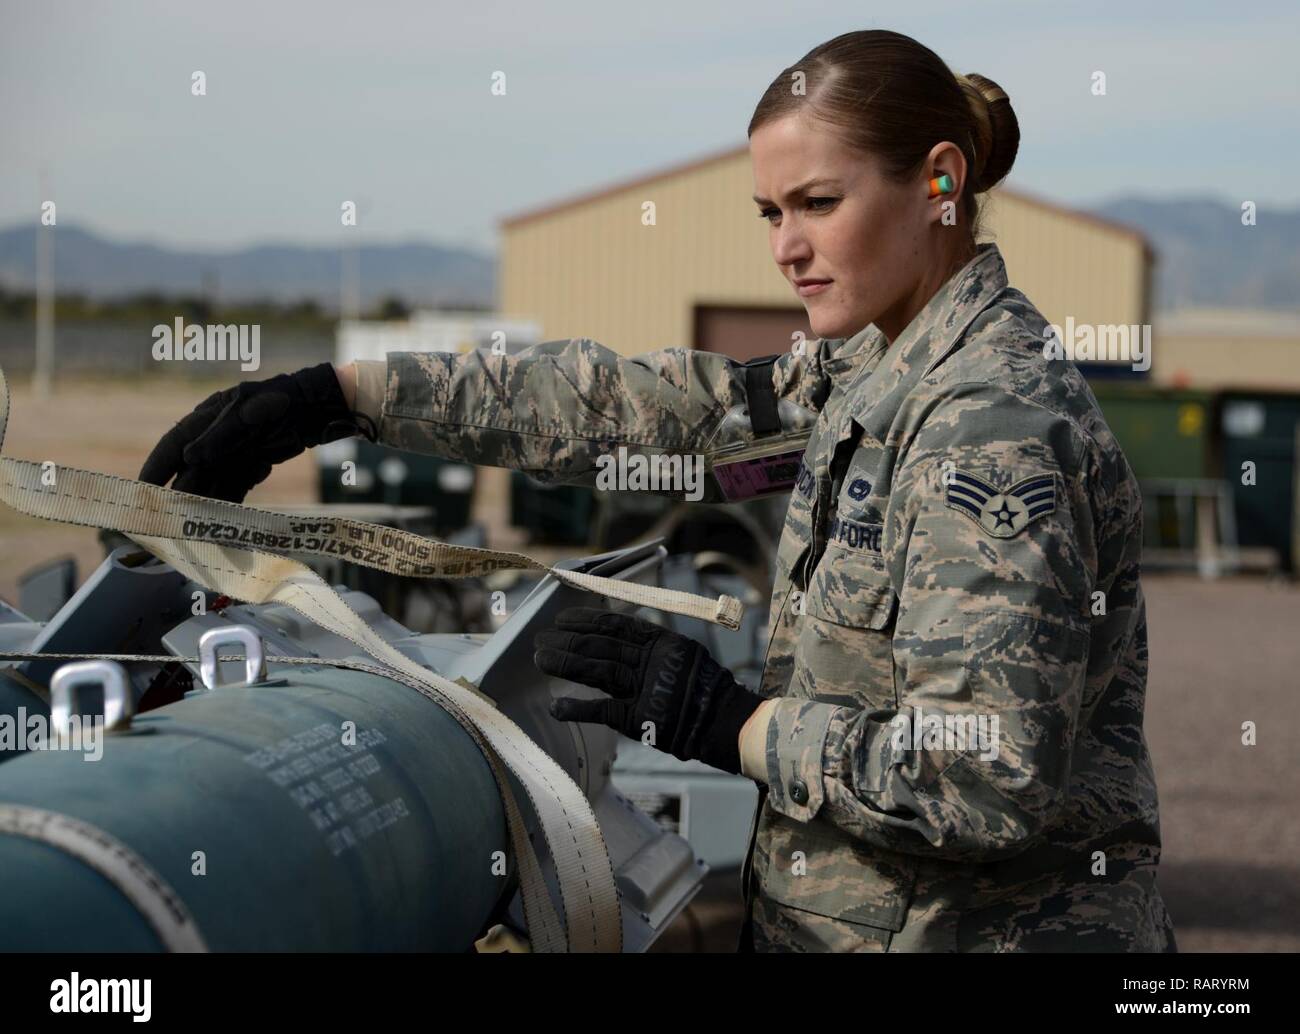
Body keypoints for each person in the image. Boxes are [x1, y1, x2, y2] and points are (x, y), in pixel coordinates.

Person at [141, 29, 1176, 953]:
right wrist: (345, 395)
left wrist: (727, 721)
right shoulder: (876, 369)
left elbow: (983, 774)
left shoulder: (984, 432)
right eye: (771, 211)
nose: (786, 247)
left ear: (940, 183)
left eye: (819, 203)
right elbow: (652, 410)